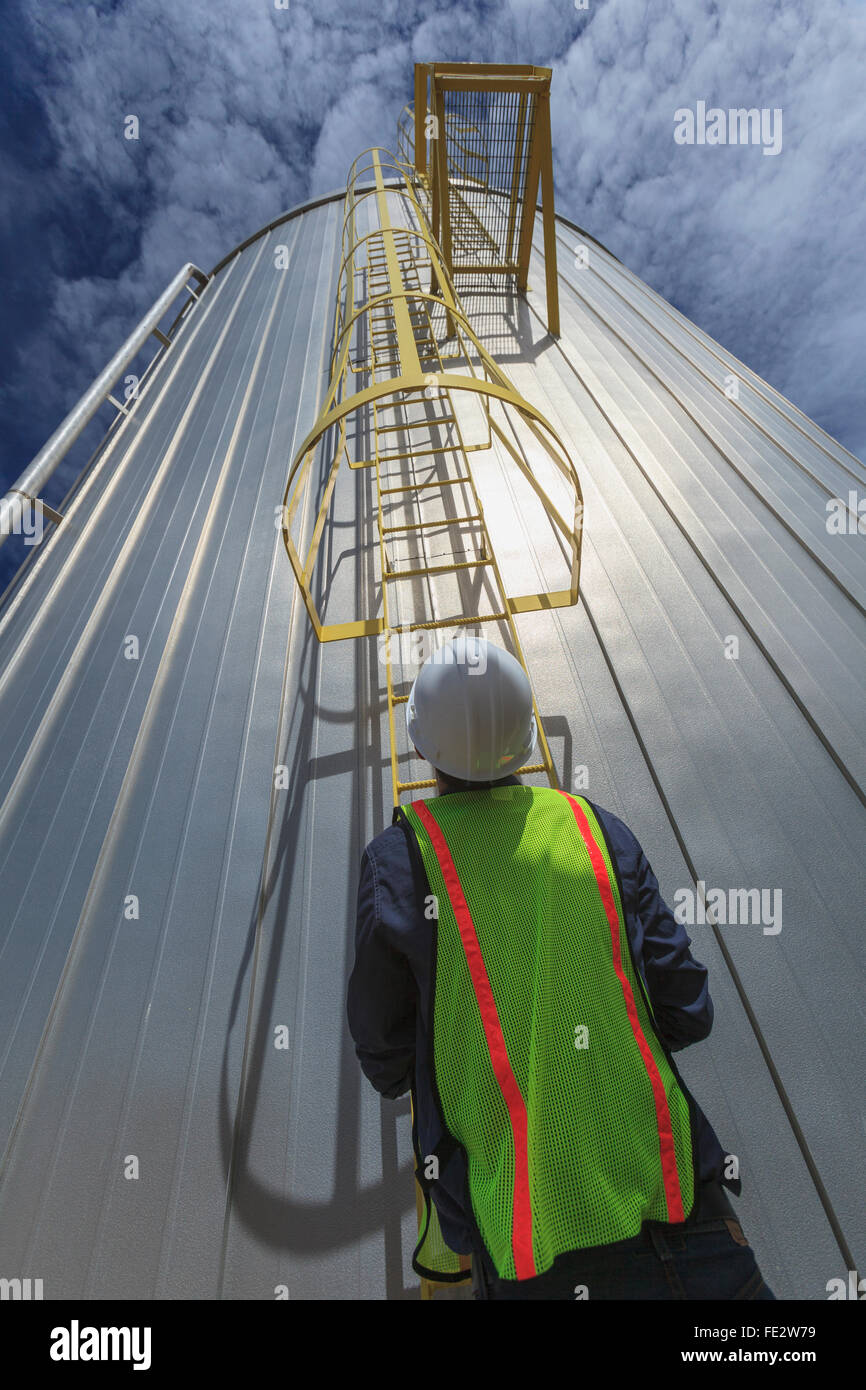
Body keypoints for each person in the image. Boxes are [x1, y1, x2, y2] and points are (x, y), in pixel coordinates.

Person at [347, 635, 776, 1300]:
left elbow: (385, 1057)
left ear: (423, 747)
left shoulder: (402, 861)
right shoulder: (598, 829)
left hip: (533, 1250)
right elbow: (687, 1011)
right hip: (689, 1221)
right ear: (524, 740)